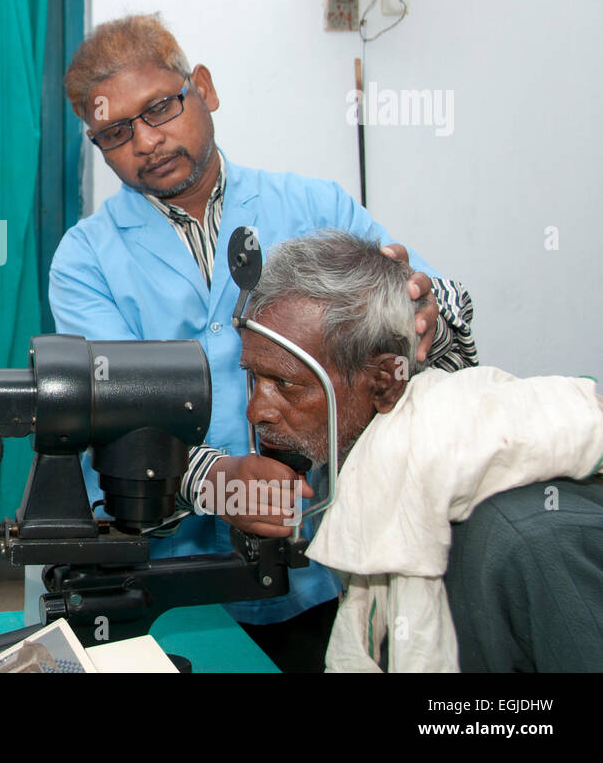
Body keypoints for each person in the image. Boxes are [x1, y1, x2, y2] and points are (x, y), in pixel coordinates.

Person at [49, 13, 477, 671]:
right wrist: (214, 481)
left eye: (160, 108)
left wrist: (427, 315)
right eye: (115, 132)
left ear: (204, 88)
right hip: (170, 578)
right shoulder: (85, 259)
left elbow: (428, 315)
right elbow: (110, 410)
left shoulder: (318, 209)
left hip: (323, 561)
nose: (147, 140)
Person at [238, 231, 603, 672]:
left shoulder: (526, 539)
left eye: (286, 384)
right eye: (254, 378)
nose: (256, 410)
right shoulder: (355, 479)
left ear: (384, 381)